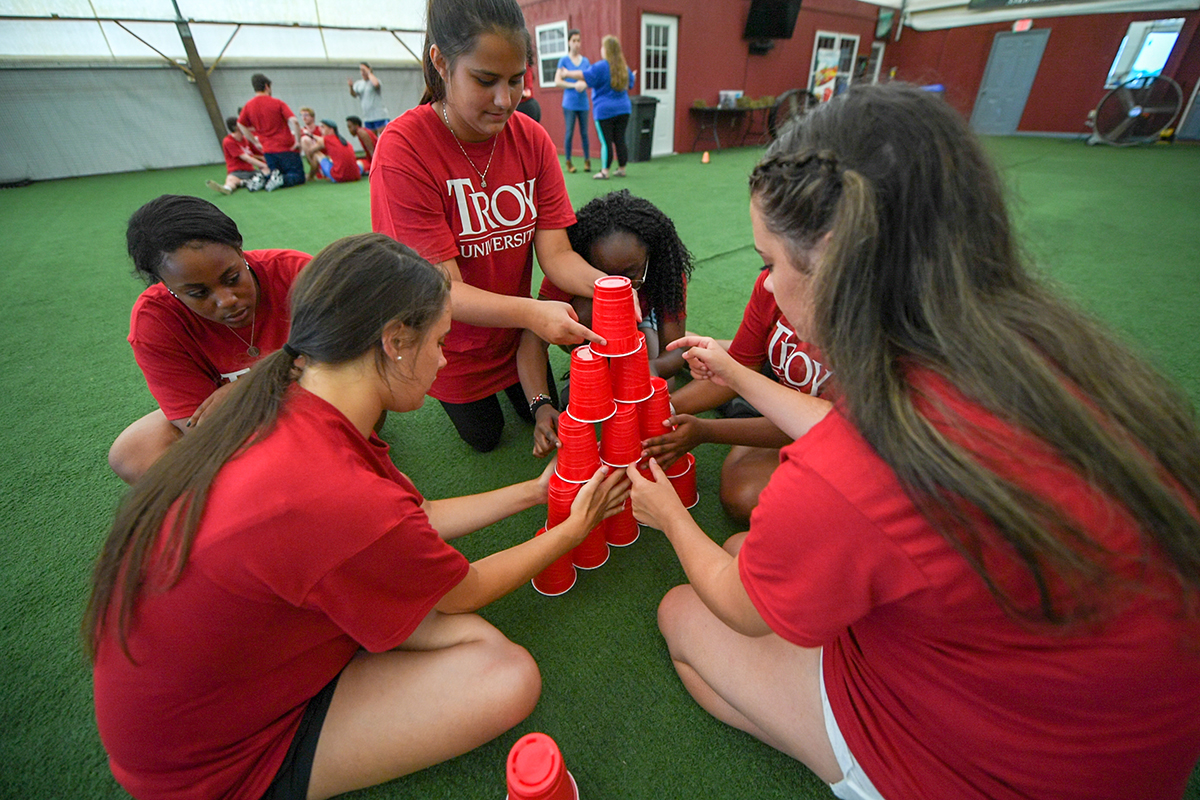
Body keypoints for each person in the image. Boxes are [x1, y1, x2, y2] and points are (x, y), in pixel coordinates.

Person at [627, 83, 1200, 800]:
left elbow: (743, 602)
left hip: (998, 769)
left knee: (684, 617)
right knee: (752, 553)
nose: (766, 287)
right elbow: (861, 437)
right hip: (1110, 737)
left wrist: (668, 514)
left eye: (771, 262)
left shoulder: (846, 472)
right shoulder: (1032, 345)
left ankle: (855, 765)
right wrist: (741, 372)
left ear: (839, 262)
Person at [86, 232, 630, 800]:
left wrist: (534, 493)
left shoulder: (296, 398)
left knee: (455, 633)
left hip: (222, 675)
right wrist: (574, 528)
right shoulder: (330, 490)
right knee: (506, 675)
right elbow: (460, 590)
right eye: (441, 341)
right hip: (204, 762)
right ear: (395, 341)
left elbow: (412, 517)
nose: (444, 358)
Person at [370, 0, 609, 453]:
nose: (505, 100)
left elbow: (556, 255)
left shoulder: (532, 138)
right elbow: (442, 290)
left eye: (516, 80)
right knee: (485, 438)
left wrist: (611, 287)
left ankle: (525, 382)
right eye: (485, 80)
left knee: (541, 410)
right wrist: (534, 314)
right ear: (441, 63)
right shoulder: (403, 149)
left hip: (518, 336)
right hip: (451, 350)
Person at [107, 195, 311, 484]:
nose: (227, 300)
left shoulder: (297, 273)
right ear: (165, 284)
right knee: (133, 452)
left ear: (239, 250)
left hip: (314, 401)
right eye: (198, 293)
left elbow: (355, 360)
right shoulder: (154, 319)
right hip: (244, 419)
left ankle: (262, 488)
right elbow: (200, 427)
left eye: (232, 277)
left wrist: (249, 386)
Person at [642, 266, 835, 524]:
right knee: (727, 364)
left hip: (829, 433)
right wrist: (659, 409)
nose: (767, 281)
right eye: (767, 264)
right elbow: (740, 368)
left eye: (776, 264)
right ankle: (717, 353)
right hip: (788, 386)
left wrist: (707, 431)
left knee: (743, 496)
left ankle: (743, 397)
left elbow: (820, 426)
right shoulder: (772, 285)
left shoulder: (875, 339)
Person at [518, 189, 693, 455]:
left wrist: (651, 369)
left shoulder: (665, 271)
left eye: (630, 275)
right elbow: (532, 339)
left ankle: (644, 354)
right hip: (590, 328)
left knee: (663, 389)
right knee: (588, 310)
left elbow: (676, 349)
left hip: (643, 325)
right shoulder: (568, 273)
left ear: (649, 257)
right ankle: (592, 365)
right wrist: (541, 406)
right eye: (604, 275)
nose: (620, 285)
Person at [558, 35, 633, 180]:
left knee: (606, 141)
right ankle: (622, 169)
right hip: (624, 109)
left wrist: (567, 73)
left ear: (607, 50)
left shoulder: (601, 66)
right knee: (620, 139)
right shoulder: (624, 67)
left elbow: (584, 75)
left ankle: (605, 171)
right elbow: (631, 82)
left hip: (605, 111)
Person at [238, 73, 305, 191]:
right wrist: (298, 141)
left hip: (268, 150)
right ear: (267, 86)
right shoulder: (278, 103)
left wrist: (255, 142)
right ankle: (280, 180)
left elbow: (240, 124)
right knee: (298, 176)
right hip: (285, 147)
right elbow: (294, 121)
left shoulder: (248, 106)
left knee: (275, 172)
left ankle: (264, 178)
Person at [554, 29, 591, 173]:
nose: (576, 44)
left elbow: (589, 79)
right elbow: (557, 81)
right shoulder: (563, 61)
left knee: (585, 133)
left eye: (578, 40)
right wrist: (574, 85)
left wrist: (584, 84)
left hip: (583, 104)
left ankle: (587, 160)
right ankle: (568, 161)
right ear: (569, 42)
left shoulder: (585, 61)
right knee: (569, 132)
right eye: (574, 40)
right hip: (569, 104)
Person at [206, 115, 270, 195]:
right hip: (237, 171)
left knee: (268, 171)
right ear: (236, 127)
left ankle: (244, 182)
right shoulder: (228, 141)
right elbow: (245, 158)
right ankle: (227, 188)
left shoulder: (245, 139)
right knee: (231, 180)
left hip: (250, 170)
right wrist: (264, 165)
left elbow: (251, 155)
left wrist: (265, 159)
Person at [304, 119, 362, 184]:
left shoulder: (325, 139)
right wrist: (310, 135)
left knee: (316, 154)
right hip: (355, 176)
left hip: (339, 177)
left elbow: (311, 151)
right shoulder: (343, 141)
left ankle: (311, 176)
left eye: (323, 127)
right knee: (359, 163)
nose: (320, 129)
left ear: (331, 130)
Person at [348, 62, 390, 132]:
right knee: (372, 140)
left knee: (384, 136)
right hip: (368, 117)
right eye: (361, 70)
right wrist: (351, 87)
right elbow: (354, 94)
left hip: (380, 116)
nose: (362, 72)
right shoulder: (359, 84)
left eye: (363, 70)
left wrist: (369, 73)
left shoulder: (375, 81)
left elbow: (376, 84)